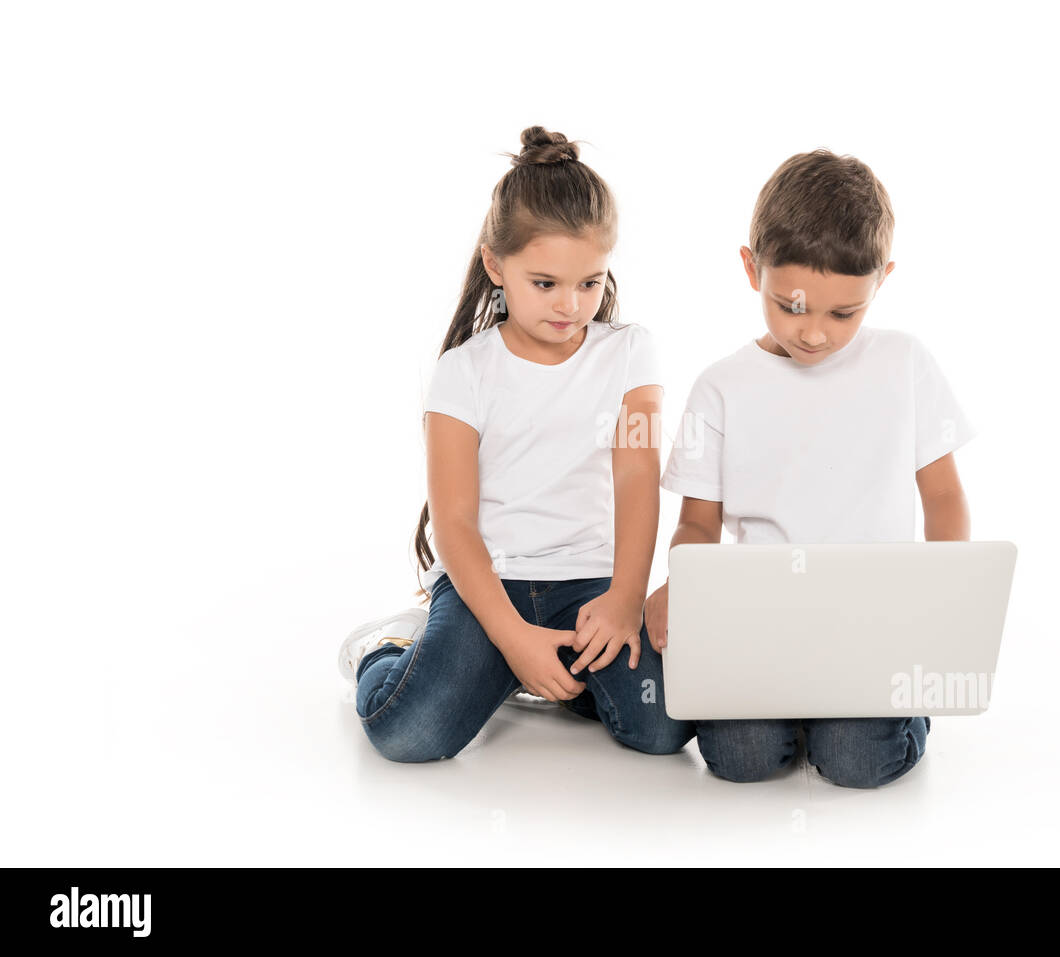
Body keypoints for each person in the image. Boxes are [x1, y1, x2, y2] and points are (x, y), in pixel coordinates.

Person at [341, 126, 695, 763]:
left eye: (590, 282)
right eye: (545, 284)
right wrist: (510, 638)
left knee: (664, 728)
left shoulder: (631, 355)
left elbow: (637, 480)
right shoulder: (462, 372)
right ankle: (390, 652)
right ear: (495, 264)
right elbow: (453, 523)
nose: (571, 305)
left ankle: (551, 675)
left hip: (591, 580)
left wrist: (621, 599)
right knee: (411, 734)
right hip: (489, 582)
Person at [647, 149, 976, 788]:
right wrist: (681, 582)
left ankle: (872, 719)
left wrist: (944, 590)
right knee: (737, 759)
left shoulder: (905, 364)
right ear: (751, 268)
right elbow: (696, 524)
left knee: (857, 761)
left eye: (842, 313)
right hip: (759, 629)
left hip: (873, 633)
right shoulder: (721, 387)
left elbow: (943, 495)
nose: (815, 334)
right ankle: (801, 718)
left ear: (881, 280)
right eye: (791, 305)